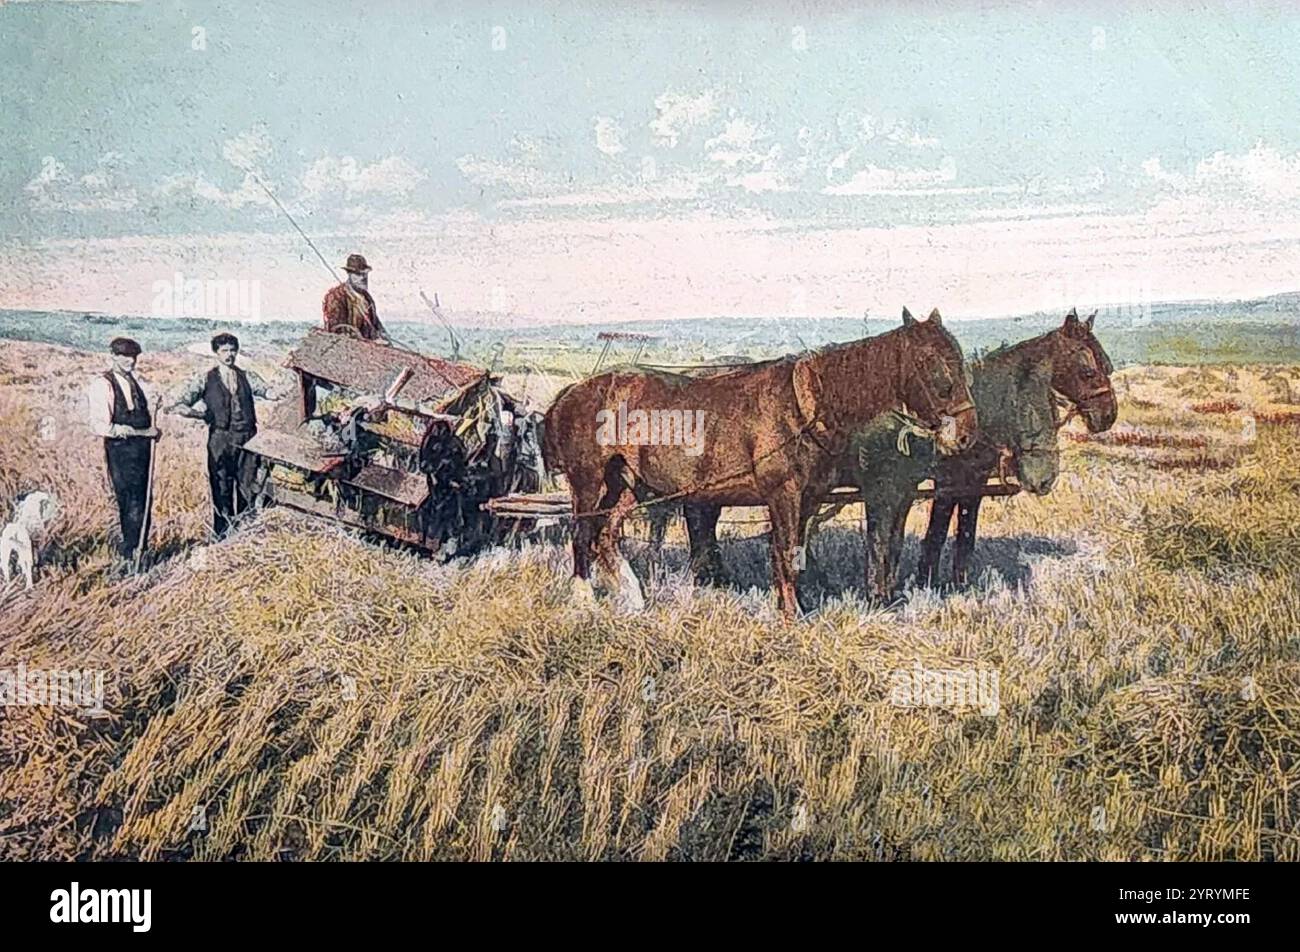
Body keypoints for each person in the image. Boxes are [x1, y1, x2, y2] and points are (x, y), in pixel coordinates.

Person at [166, 333, 282, 537]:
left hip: (248, 439)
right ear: (216, 353)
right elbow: (179, 401)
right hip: (220, 439)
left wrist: (279, 393)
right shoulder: (204, 378)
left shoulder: (247, 376)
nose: (229, 355)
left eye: (232, 350)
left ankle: (245, 535)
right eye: (224, 351)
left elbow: (268, 391)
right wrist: (194, 412)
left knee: (248, 486)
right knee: (221, 487)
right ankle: (222, 536)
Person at [85, 337, 160, 564]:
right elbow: (101, 426)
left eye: (134, 357)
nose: (131, 362)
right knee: (129, 501)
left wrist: (152, 428)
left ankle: (141, 551)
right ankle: (131, 555)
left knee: (144, 498)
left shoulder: (135, 382)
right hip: (121, 452)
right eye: (125, 357)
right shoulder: (102, 384)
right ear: (114, 356)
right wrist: (142, 433)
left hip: (142, 451)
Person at [322, 253, 389, 342]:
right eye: (358, 274)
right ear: (349, 274)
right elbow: (337, 332)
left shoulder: (367, 299)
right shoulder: (336, 296)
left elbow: (377, 326)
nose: (363, 278)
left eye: (365, 274)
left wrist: (383, 337)